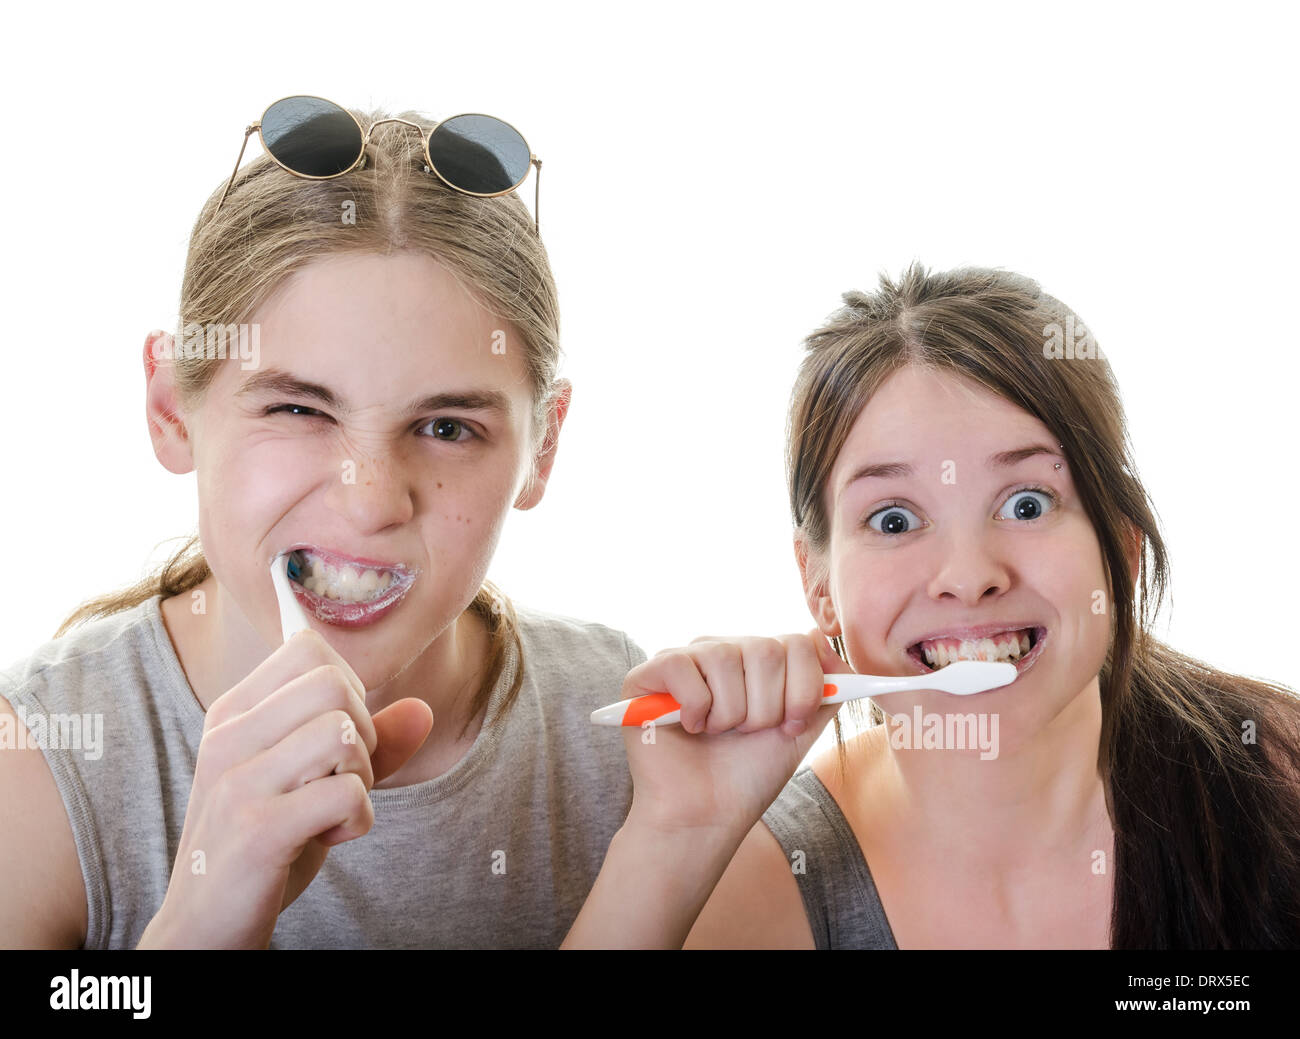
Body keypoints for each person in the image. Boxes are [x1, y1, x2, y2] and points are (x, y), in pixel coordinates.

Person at [0, 99, 644, 949]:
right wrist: (197, 922)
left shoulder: (623, 727)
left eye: (448, 427)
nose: (372, 498)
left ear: (544, 447)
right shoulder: (37, 764)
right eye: (300, 407)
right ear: (170, 408)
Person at [566, 263, 1300, 949]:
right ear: (818, 585)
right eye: (893, 518)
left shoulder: (1275, 775)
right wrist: (677, 833)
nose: (968, 574)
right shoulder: (766, 889)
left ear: (1125, 546)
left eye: (1027, 501)